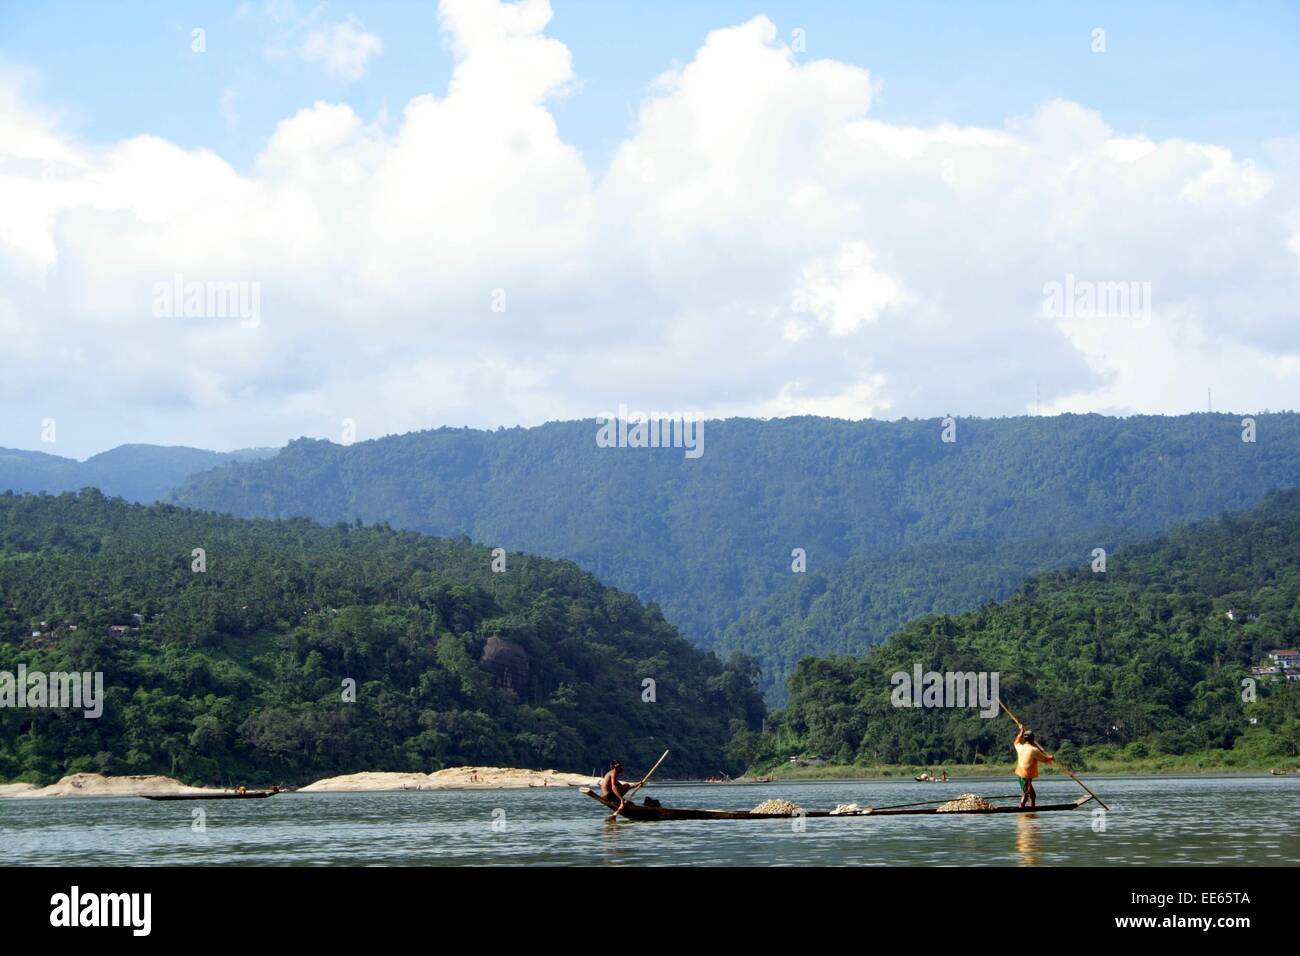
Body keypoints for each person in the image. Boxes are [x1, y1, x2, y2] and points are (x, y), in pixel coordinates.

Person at [1014, 726, 1053, 808]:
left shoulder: (1020, 747)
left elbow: (1016, 741)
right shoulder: (1034, 750)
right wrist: (1051, 757)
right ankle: (1023, 807)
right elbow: (1044, 759)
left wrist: (1021, 731)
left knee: (1031, 794)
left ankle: (1031, 808)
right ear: (1033, 739)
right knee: (1027, 793)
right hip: (1025, 775)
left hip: (1022, 774)